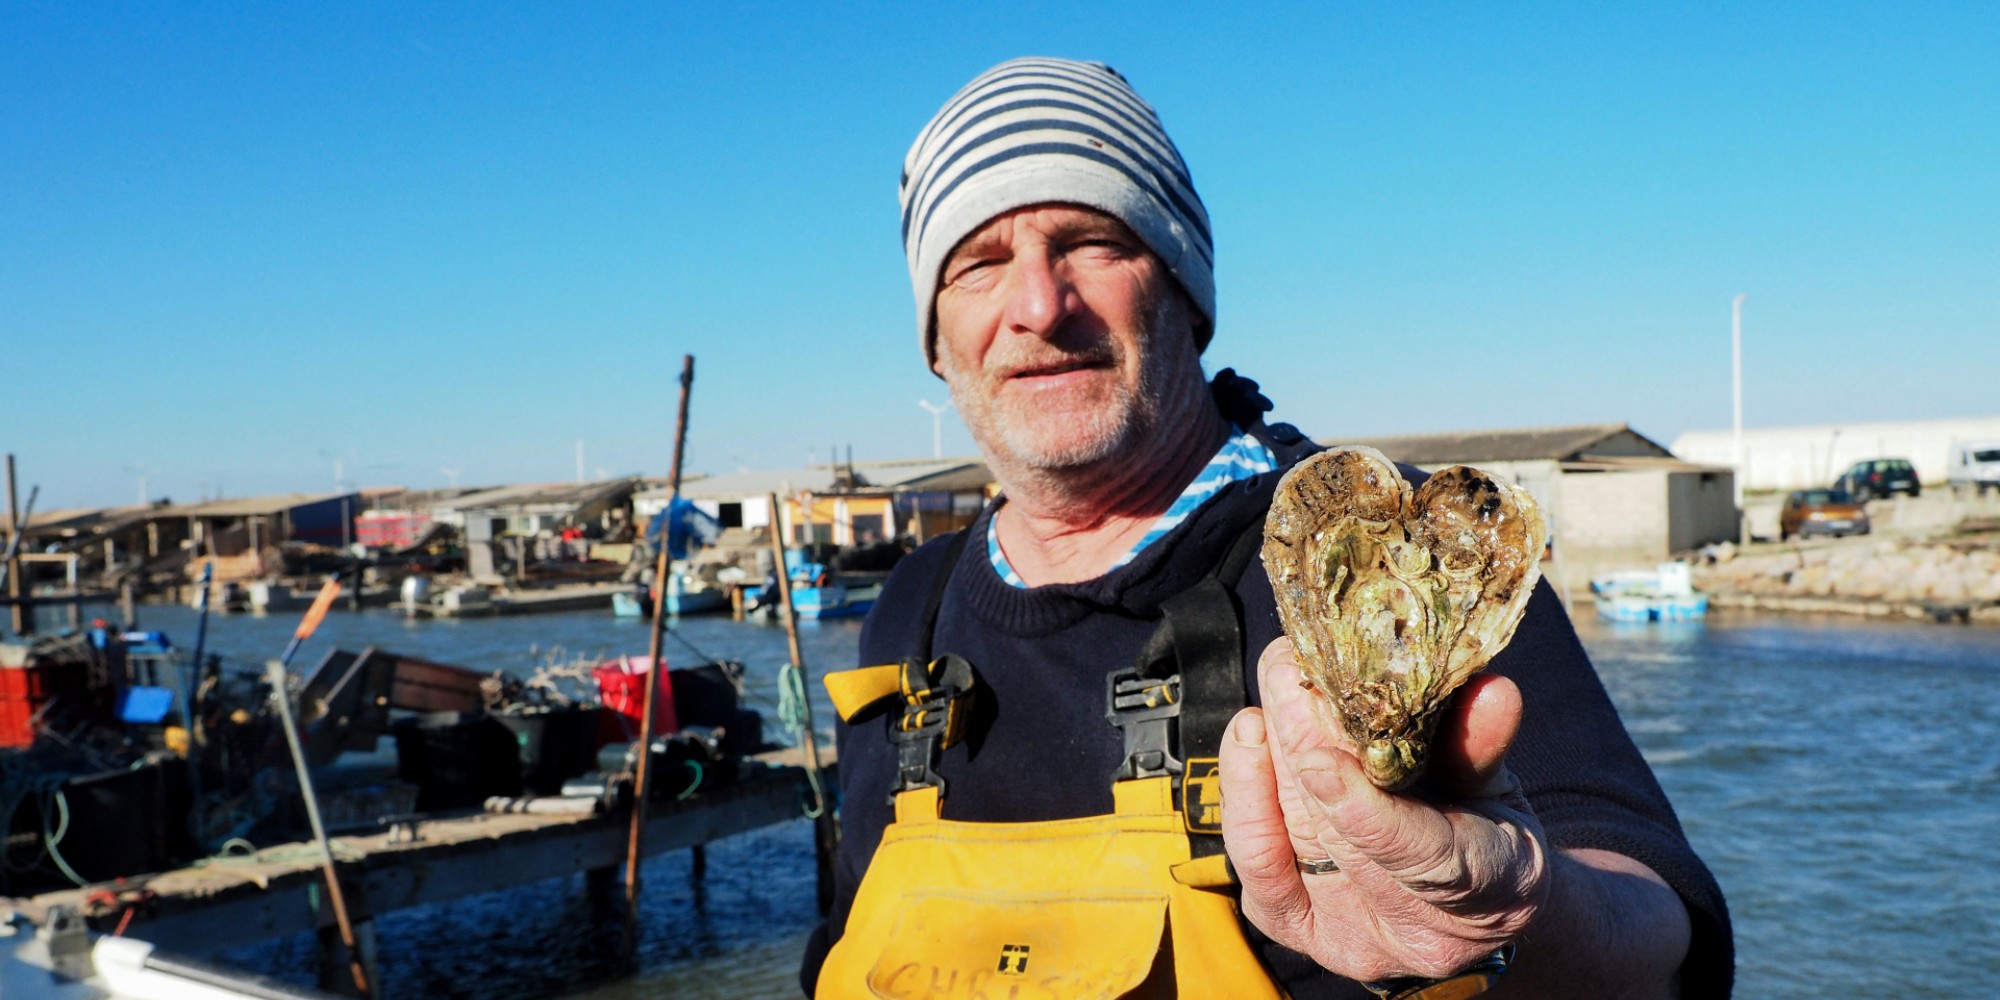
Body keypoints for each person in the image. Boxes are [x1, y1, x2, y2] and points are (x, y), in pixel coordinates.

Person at [802, 57, 1731, 998]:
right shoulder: (910, 607)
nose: (1039, 306)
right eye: (979, 265)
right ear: (935, 337)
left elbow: (1658, 926)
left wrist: (1521, 909)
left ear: (1184, 289)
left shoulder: (1401, 556)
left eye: (1090, 242)